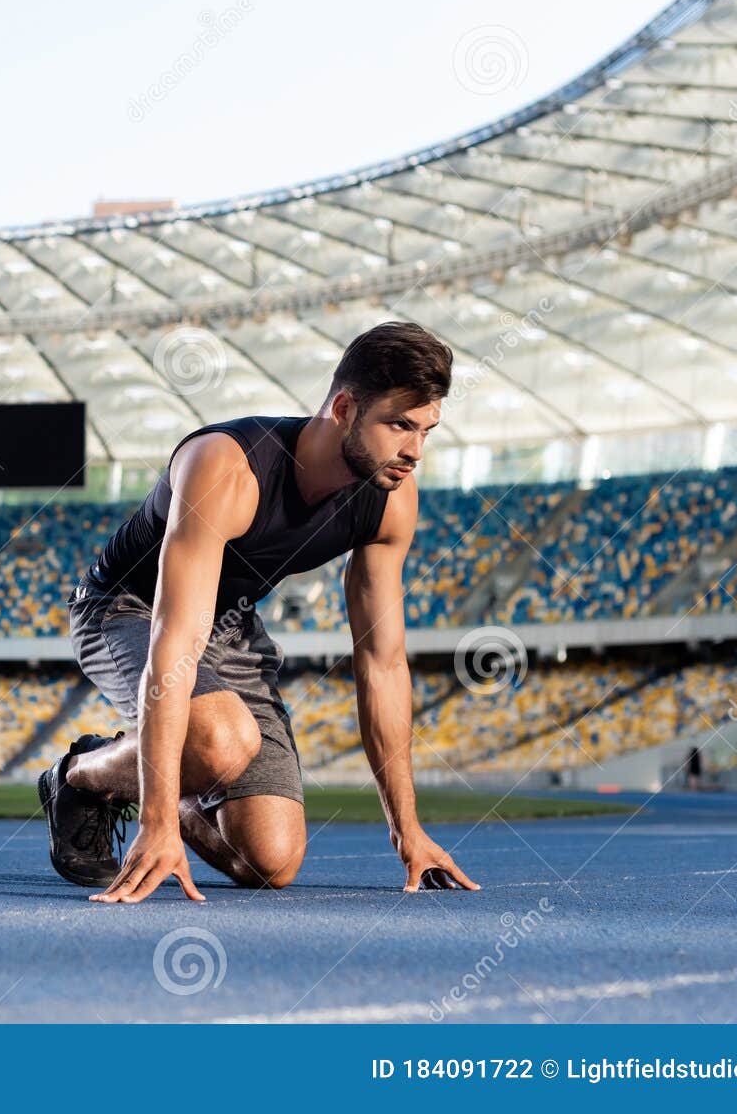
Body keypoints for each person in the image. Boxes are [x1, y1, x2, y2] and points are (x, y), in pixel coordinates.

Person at [39, 320, 480, 903]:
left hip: (229, 625)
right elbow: (174, 642)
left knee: (269, 861)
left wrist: (408, 830)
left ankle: (148, 766)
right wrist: (158, 822)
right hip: (126, 607)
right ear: (345, 407)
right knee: (221, 740)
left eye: (427, 430)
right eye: (400, 425)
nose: (415, 451)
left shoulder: (390, 497)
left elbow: (382, 661)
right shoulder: (226, 466)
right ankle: (79, 778)